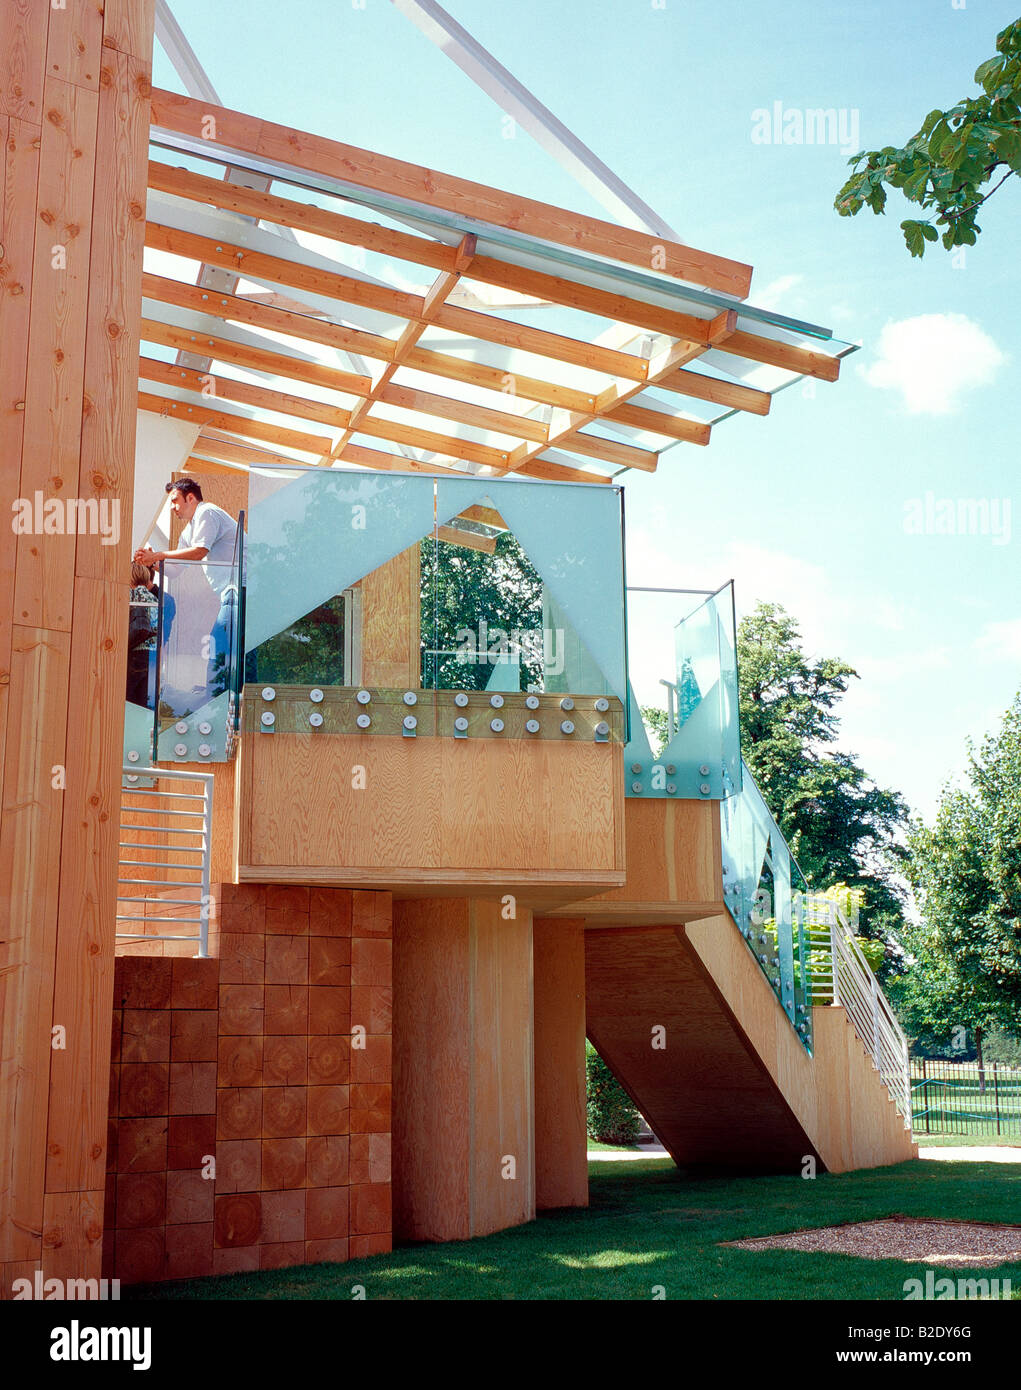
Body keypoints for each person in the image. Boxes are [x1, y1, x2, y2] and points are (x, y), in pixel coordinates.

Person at [133, 479, 240, 703]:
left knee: (219, 643)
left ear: (190, 497)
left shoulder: (207, 512)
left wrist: (159, 555)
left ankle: (216, 699)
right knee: (230, 645)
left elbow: (199, 552)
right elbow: (174, 570)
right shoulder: (188, 531)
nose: (172, 508)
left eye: (175, 501)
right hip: (229, 594)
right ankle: (223, 696)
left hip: (239, 589)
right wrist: (152, 563)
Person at [126, 561, 176, 709]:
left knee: (127, 701)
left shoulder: (132, 595)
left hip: (135, 653)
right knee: (144, 700)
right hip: (152, 656)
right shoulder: (157, 600)